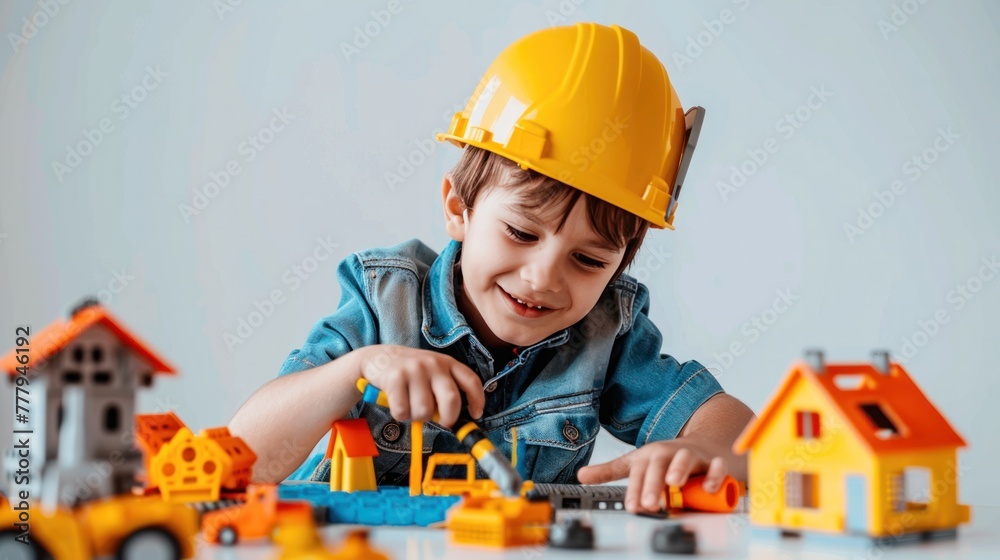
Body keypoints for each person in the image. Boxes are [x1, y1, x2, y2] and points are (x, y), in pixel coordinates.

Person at [229, 22, 755, 514]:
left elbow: (734, 429)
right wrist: (359, 367)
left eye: (589, 260)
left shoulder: (606, 333)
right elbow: (245, 457)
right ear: (460, 209)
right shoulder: (386, 301)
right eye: (521, 233)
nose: (543, 277)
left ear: (619, 265)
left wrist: (701, 453)